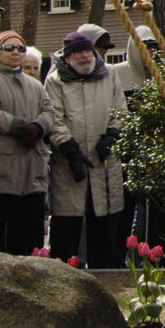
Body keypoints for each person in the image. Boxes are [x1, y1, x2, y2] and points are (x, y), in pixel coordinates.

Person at [45, 29, 130, 267]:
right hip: (69, 161)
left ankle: (104, 272)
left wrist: (112, 136)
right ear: (67, 57)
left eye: (86, 50)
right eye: (77, 53)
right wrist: (69, 149)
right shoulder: (54, 81)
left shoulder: (109, 75)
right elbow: (53, 117)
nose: (84, 56)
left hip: (104, 160)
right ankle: (63, 274)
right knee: (67, 223)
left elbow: (120, 110)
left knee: (104, 221)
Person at [0, 30, 53, 255]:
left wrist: (38, 127)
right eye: (9, 47)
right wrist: (17, 126)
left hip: (33, 170)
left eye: (20, 48)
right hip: (2, 169)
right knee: (2, 233)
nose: (16, 52)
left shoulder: (35, 85)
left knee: (30, 235)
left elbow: (50, 112)